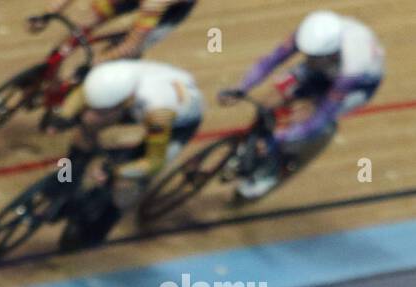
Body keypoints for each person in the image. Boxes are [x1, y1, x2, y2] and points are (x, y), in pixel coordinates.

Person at [220, 9, 384, 200]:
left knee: (304, 118)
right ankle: (255, 142)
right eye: (306, 53)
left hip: (356, 87)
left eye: (313, 55)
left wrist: (280, 137)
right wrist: (242, 88)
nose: (307, 56)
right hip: (321, 69)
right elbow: (271, 60)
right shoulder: (309, 34)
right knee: (271, 99)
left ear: (330, 52)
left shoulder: (353, 65)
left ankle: (270, 171)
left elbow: (322, 115)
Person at [50, 58, 203, 246]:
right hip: (142, 97)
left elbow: (153, 162)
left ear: (126, 101)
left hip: (176, 124)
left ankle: (104, 222)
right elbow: (82, 95)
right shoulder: (108, 77)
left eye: (105, 110)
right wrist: (63, 116)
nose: (99, 113)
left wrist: (118, 171)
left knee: (128, 182)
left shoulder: (159, 114)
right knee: (88, 122)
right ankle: (66, 179)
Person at [32, 1, 197, 62]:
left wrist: (97, 62)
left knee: (124, 53)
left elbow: (130, 47)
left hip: (167, 12)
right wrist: (48, 13)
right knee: (84, 24)